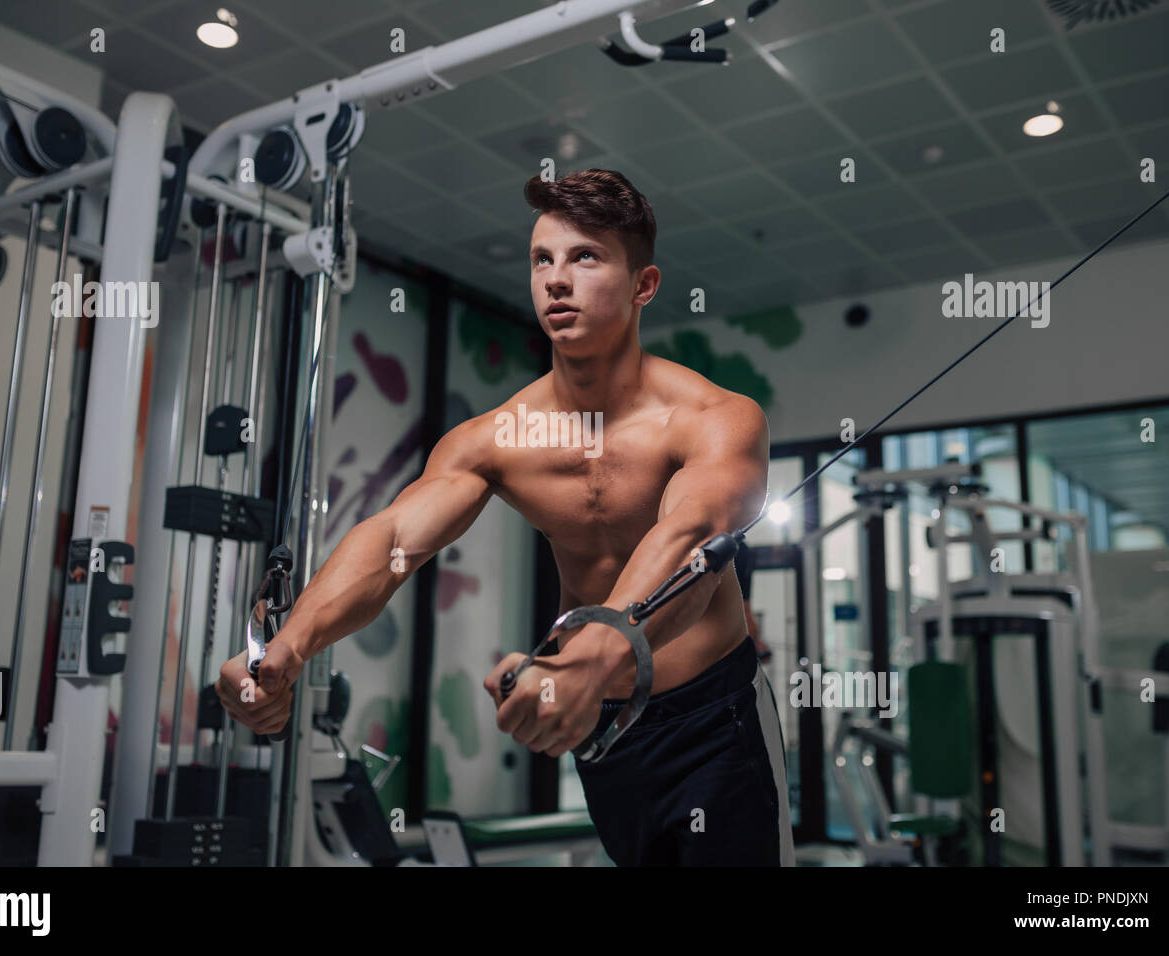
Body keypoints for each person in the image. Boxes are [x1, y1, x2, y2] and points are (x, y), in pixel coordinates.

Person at [217, 168, 794, 866]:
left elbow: (693, 538)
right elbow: (397, 539)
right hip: (605, 725)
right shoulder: (496, 438)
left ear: (644, 285)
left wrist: (591, 656)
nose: (556, 279)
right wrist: (288, 648)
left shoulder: (716, 418)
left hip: (715, 719)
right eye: (541, 260)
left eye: (585, 257)